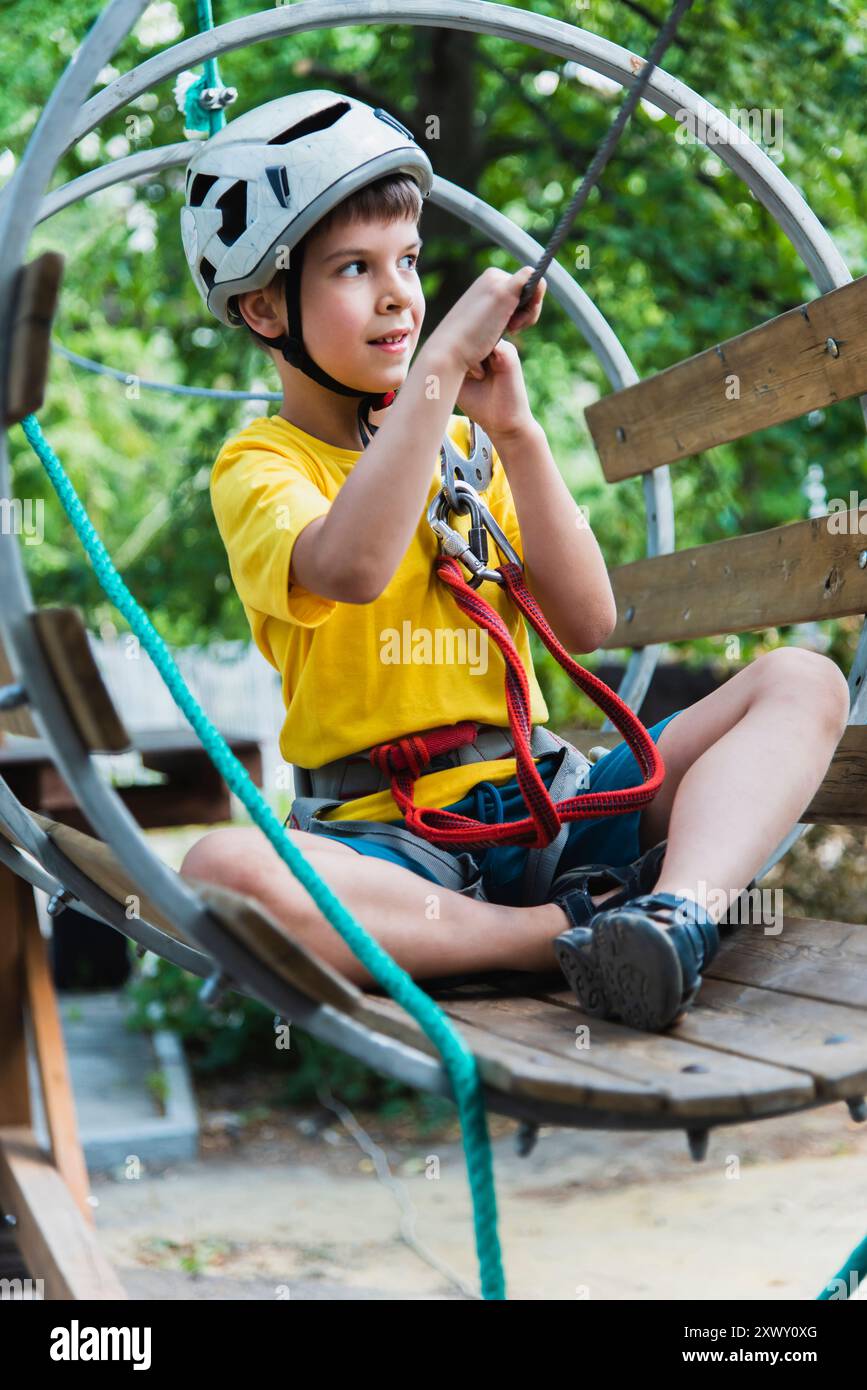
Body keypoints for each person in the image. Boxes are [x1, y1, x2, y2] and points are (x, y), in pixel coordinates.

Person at [177, 91, 850, 1031]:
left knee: (801, 681)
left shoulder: (464, 447)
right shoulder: (262, 464)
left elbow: (587, 623)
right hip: (393, 846)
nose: (397, 294)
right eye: (352, 268)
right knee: (220, 872)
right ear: (262, 307)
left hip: (552, 807)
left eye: (406, 262)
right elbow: (354, 565)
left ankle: (673, 916)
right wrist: (439, 367)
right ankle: (555, 935)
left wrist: (518, 436)